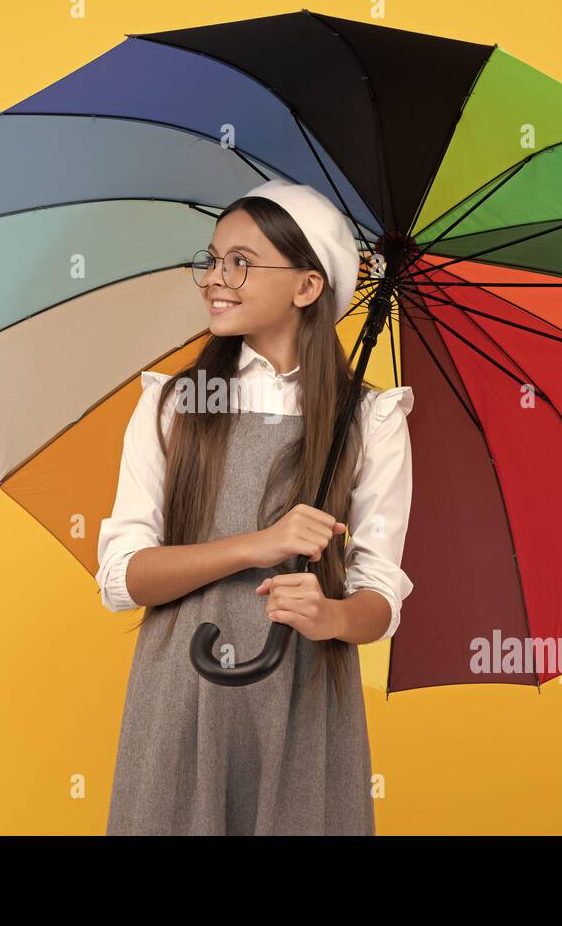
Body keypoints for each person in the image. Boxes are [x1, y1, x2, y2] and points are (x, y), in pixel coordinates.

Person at [94, 178, 414, 835]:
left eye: (242, 262)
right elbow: (121, 580)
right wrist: (255, 544)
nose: (216, 278)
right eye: (211, 260)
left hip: (301, 695)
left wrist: (329, 615)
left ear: (307, 287)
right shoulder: (171, 404)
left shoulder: (372, 418)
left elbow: (378, 599)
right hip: (181, 690)